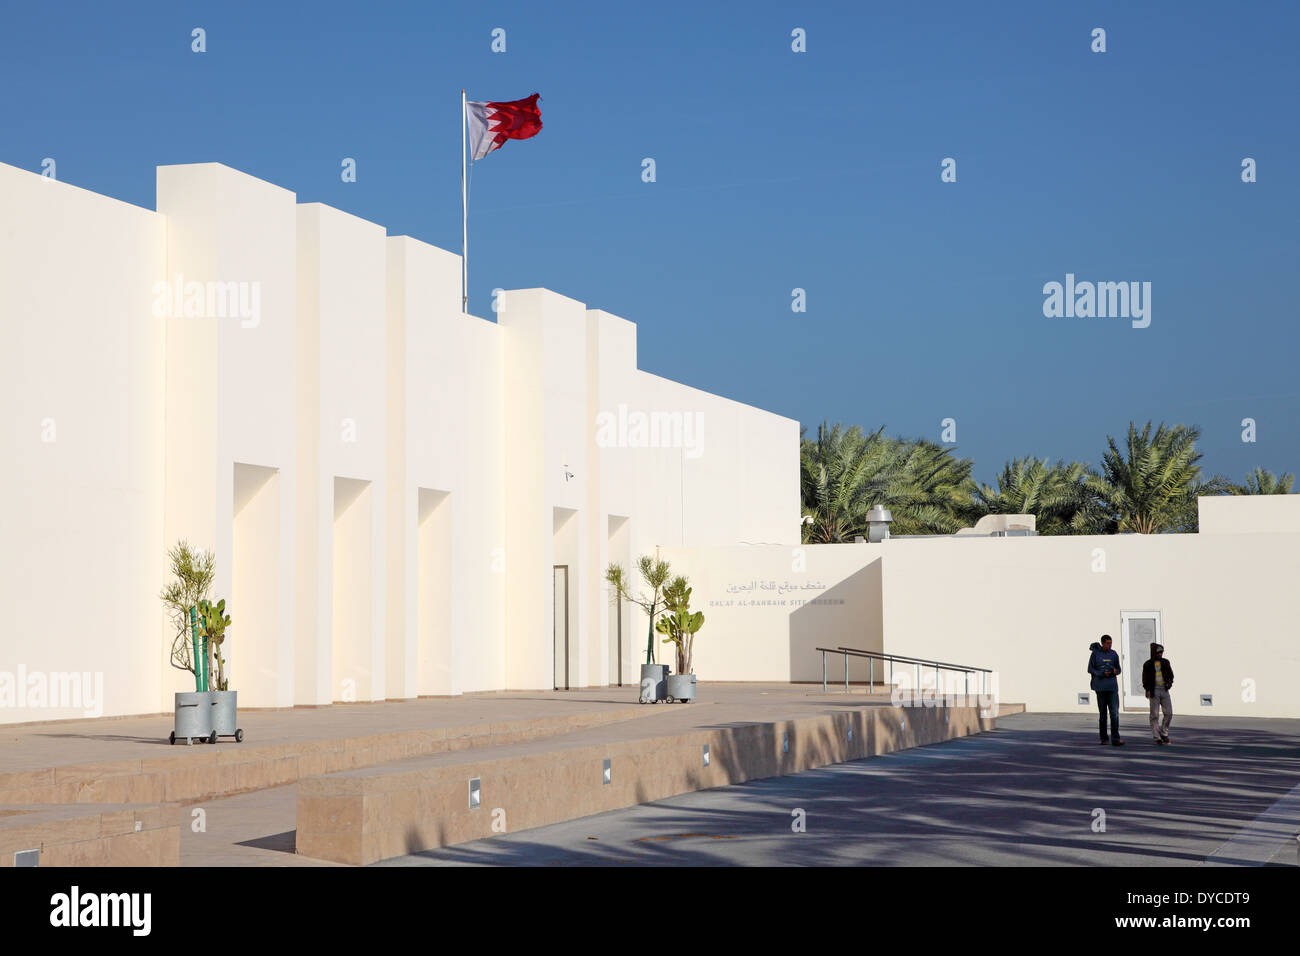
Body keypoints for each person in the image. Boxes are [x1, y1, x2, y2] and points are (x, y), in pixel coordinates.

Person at [1087, 635, 1124, 745]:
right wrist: (1101, 673)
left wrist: (1115, 671)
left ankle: (1116, 738)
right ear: (1102, 643)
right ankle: (1104, 738)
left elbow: (1119, 669)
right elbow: (1090, 669)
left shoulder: (1114, 654)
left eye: (1110, 643)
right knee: (1103, 714)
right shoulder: (1095, 654)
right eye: (1107, 643)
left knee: (1114, 714)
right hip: (1101, 688)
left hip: (1112, 687)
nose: (1109, 645)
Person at [1142, 643, 1174, 745]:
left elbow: (1171, 675)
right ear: (1153, 653)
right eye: (1158, 652)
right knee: (1154, 715)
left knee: (1169, 713)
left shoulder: (1165, 662)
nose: (1160, 654)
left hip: (1164, 690)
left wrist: (1169, 683)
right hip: (1153, 691)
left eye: (1161, 652)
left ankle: (1164, 732)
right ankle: (1157, 737)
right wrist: (1147, 689)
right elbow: (1145, 678)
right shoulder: (1147, 664)